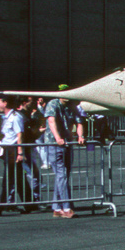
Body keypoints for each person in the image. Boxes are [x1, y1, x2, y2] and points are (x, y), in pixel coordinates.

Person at [44, 90, 85, 218]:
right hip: (54, 144)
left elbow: (79, 122)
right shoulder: (53, 104)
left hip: (67, 143)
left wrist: (80, 136)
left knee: (63, 174)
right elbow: (51, 121)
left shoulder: (72, 106)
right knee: (61, 174)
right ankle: (66, 207)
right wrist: (57, 138)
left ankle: (56, 207)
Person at [0, 96, 29, 214]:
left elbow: (20, 135)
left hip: (13, 150)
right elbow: (9, 134)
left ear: (5, 103)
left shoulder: (15, 117)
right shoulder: (6, 117)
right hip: (8, 150)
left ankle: (1, 206)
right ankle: (30, 204)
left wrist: (20, 152)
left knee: (9, 179)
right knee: (18, 179)